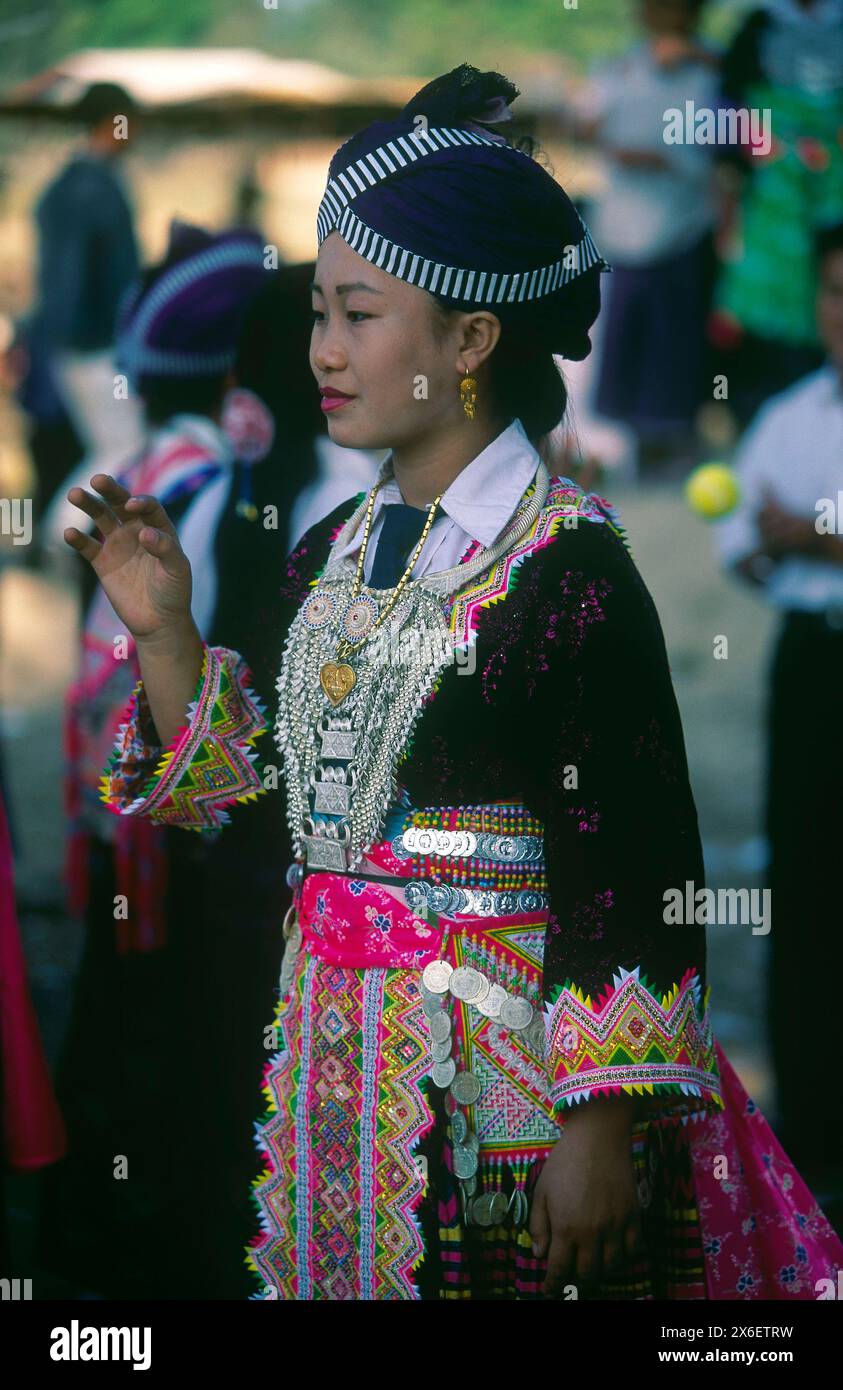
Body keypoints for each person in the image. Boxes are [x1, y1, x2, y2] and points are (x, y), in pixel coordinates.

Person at [65, 65, 843, 1300]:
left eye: (358, 315)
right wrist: (166, 639)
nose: (320, 349)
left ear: (472, 339)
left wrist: (596, 1130)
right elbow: (260, 810)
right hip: (332, 1071)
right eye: (317, 312)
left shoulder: (568, 567)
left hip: (505, 1096)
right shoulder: (332, 555)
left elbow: (636, 861)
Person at [42, 223, 287, 1299]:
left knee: (118, 1018)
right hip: (170, 818)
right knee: (163, 1030)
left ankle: (90, 1226)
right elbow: (197, 652)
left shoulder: (144, 463)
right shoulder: (210, 479)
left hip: (122, 813)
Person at [715, 222, 843, 1197]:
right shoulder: (796, 411)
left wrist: (815, 533)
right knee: (804, 883)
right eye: (833, 291)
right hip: (812, 661)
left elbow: (801, 528)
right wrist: (774, 544)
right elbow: (740, 534)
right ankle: (812, 1131)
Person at [576, 0, 720, 476]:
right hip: (622, 232)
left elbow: (736, 139)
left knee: (675, 343)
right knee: (621, 343)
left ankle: (675, 439)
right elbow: (581, 123)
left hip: (682, 228)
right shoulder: (618, 69)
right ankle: (630, 443)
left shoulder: (713, 71)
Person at [710, 0, 843, 425]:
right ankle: (760, 425)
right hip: (771, 204)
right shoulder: (758, 25)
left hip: (833, 200)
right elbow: (725, 113)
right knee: (764, 317)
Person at [34, 81, 145, 550]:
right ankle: (61, 538)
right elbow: (76, 279)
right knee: (123, 447)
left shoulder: (64, 184)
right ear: (112, 122)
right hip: (95, 345)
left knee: (113, 446)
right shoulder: (92, 187)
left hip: (76, 345)